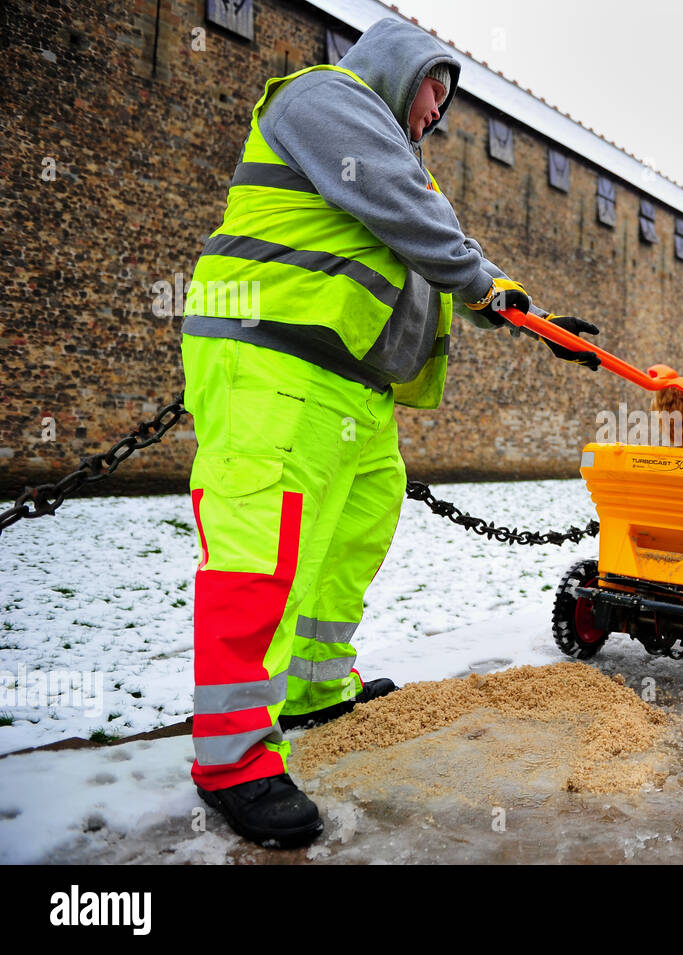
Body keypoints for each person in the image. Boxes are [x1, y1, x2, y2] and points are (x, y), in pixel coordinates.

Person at [179, 18, 598, 848]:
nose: (435, 112)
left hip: (354, 388)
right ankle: (232, 760)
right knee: (262, 553)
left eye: (446, 102)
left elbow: (449, 260)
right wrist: (484, 284)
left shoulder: (406, 170)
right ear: (398, 68)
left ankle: (313, 690)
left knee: (350, 536)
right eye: (432, 88)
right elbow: (422, 228)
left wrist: (532, 317)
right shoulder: (325, 99)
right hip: (275, 362)